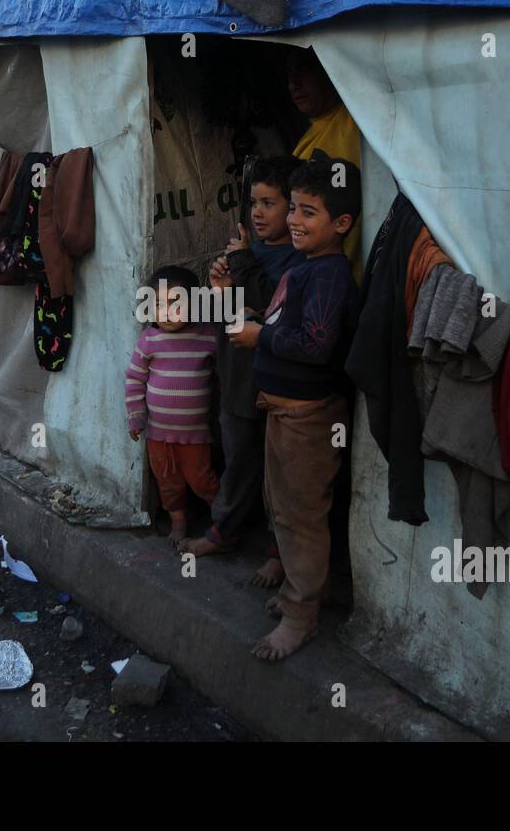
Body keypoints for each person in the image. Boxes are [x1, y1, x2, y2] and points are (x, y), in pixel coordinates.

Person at [229, 153, 361, 661]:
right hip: (288, 413)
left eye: (308, 212)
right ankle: (304, 591)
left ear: (342, 223)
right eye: (294, 210)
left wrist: (260, 335)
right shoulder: (308, 267)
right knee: (285, 508)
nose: (293, 221)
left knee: (301, 515)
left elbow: (316, 345)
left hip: (309, 420)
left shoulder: (328, 275)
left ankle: (300, 616)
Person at [180, 156, 301, 590]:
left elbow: (273, 307)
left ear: (295, 208)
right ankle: (224, 532)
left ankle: (279, 552)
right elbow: (228, 314)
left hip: (272, 385)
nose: (257, 212)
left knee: (278, 474)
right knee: (237, 459)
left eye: (270, 203)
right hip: (235, 377)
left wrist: (244, 264)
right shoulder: (247, 251)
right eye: (254, 202)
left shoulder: (294, 259)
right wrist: (219, 290)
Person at [126, 265, 220, 544]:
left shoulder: (209, 338)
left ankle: (223, 522)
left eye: (175, 304)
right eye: (158, 304)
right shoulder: (149, 340)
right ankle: (178, 522)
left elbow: (221, 379)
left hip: (196, 435)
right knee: (168, 483)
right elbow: (134, 380)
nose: (166, 312)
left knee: (203, 480)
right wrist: (136, 417)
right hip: (157, 434)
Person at [286, 47, 363, 277]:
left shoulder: (359, 119)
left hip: (350, 274)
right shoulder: (306, 139)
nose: (293, 84)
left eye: (303, 72)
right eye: (289, 76)